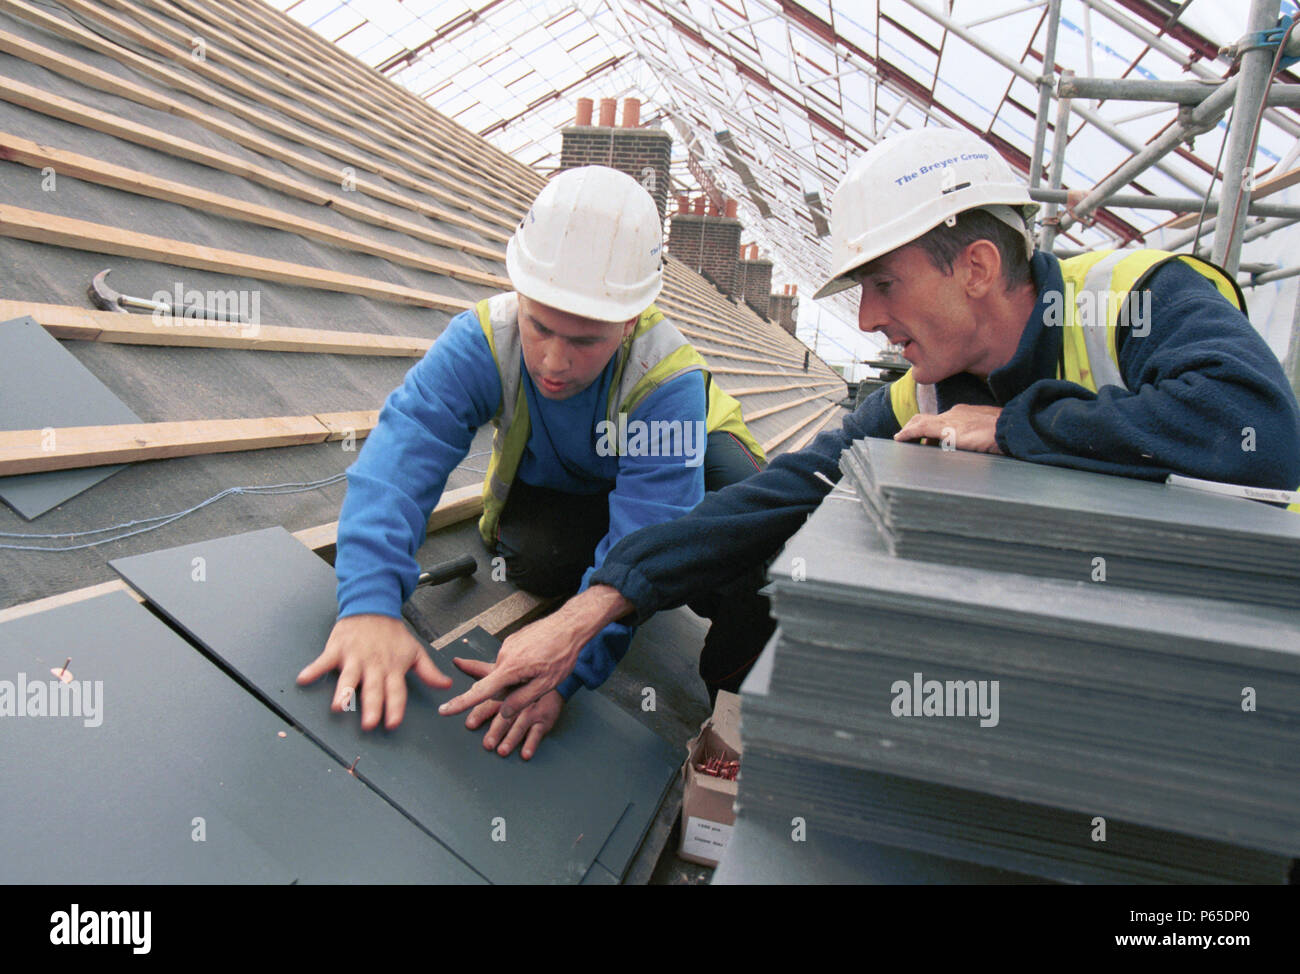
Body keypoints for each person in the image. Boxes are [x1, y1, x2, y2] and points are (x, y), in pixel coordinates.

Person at [439, 127, 1300, 740]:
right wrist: (600, 602)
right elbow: (781, 494)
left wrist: (1018, 425)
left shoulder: (1138, 296)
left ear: (977, 267)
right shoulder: (924, 390)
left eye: (884, 283)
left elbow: (1257, 424)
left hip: (1222, 683)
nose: (869, 316)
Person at [297, 165, 765, 759]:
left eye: (586, 341)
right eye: (540, 326)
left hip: (698, 458)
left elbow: (652, 529)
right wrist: (367, 602)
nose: (554, 361)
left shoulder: (666, 381)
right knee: (541, 564)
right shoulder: (482, 339)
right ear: (518, 292)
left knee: (750, 548)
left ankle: (737, 714)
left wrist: (569, 670)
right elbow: (402, 453)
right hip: (583, 480)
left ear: (628, 322)